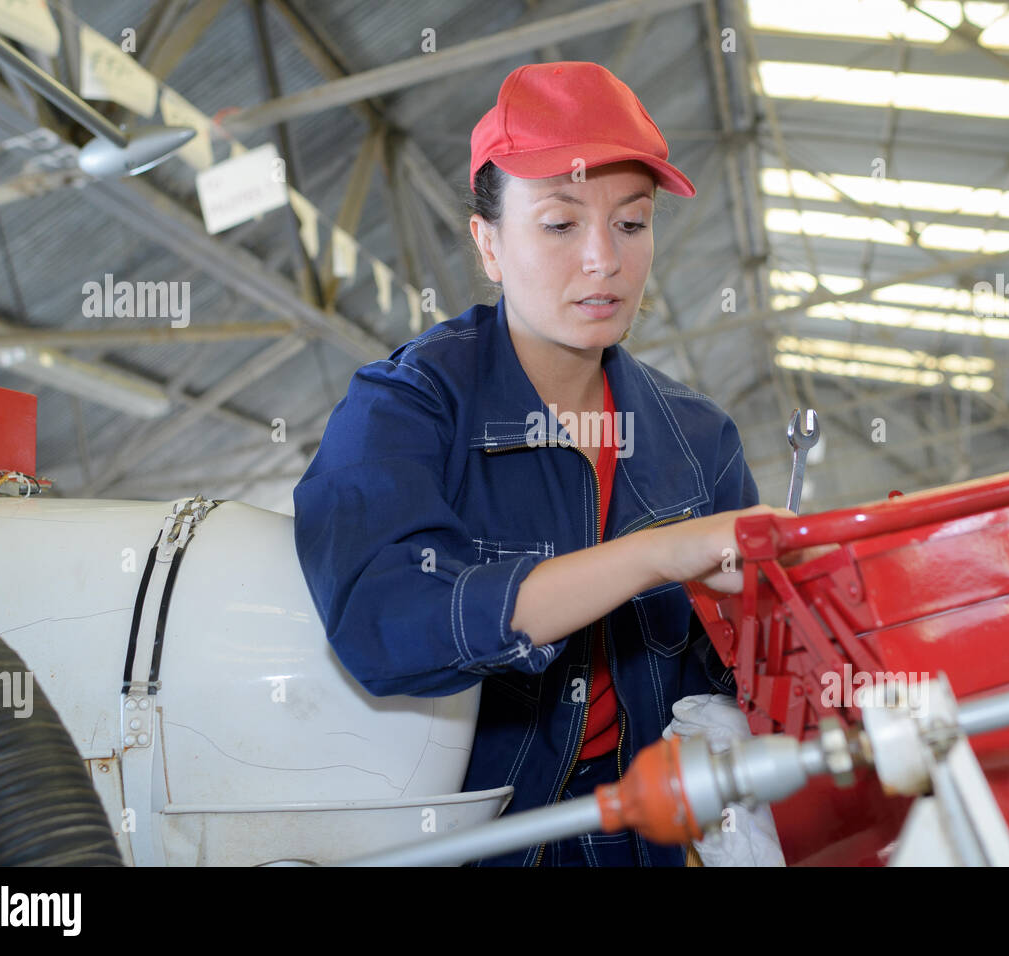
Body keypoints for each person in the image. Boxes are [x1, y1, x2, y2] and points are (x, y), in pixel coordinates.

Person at [292, 61, 793, 867]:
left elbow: (743, 670)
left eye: (631, 224)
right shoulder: (407, 409)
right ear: (488, 243)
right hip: (469, 846)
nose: (603, 259)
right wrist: (654, 554)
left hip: (642, 843)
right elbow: (383, 625)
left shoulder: (699, 442)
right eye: (560, 225)